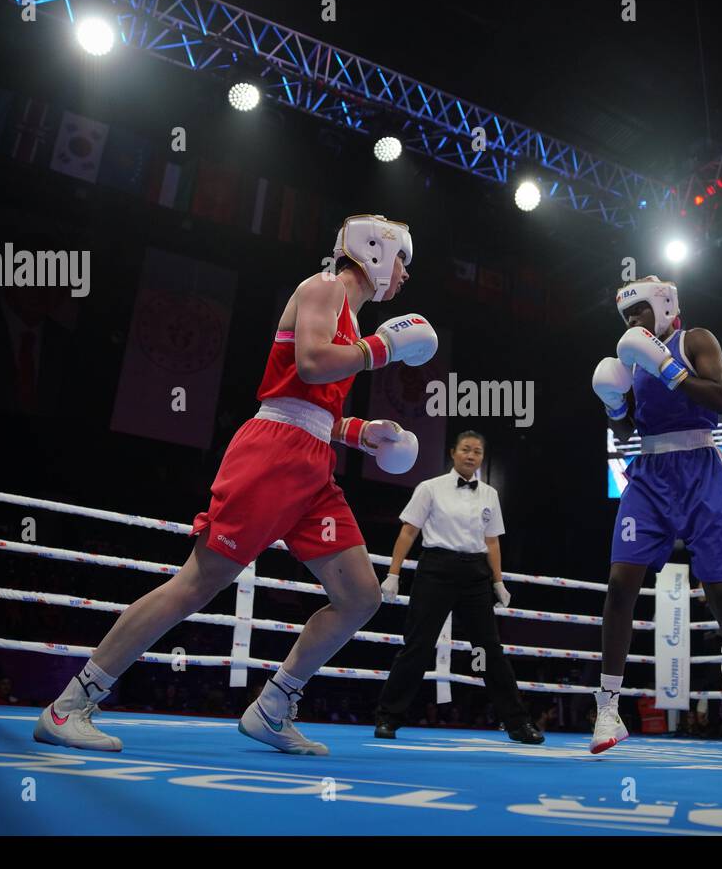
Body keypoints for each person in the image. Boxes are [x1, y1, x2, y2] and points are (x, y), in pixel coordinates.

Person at [33, 214, 436, 755]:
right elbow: (312, 366)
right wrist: (381, 348)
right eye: (403, 259)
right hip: (272, 456)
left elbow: (312, 406)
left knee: (360, 596)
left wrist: (361, 433)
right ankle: (71, 704)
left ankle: (273, 707)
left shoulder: (349, 319)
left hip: (312, 465)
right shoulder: (321, 289)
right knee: (198, 583)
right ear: (375, 251)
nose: (405, 274)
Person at [591, 276, 722, 768]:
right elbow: (632, 424)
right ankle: (608, 710)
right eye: (627, 318)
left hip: (701, 469)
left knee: (721, 593)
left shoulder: (695, 340)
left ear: (664, 307)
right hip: (650, 474)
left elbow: (718, 397)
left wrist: (669, 367)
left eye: (640, 313)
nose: (633, 323)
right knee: (619, 583)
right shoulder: (630, 359)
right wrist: (613, 405)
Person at [373, 431, 543, 743]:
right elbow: (409, 532)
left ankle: (518, 724)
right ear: (453, 452)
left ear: (482, 458)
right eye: (465, 449)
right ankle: (388, 718)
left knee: (488, 649)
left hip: (476, 574)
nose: (471, 455)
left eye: (477, 451)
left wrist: (498, 581)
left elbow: (492, 542)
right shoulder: (430, 488)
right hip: (436, 569)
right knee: (417, 645)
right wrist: (393, 573)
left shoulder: (490, 494)